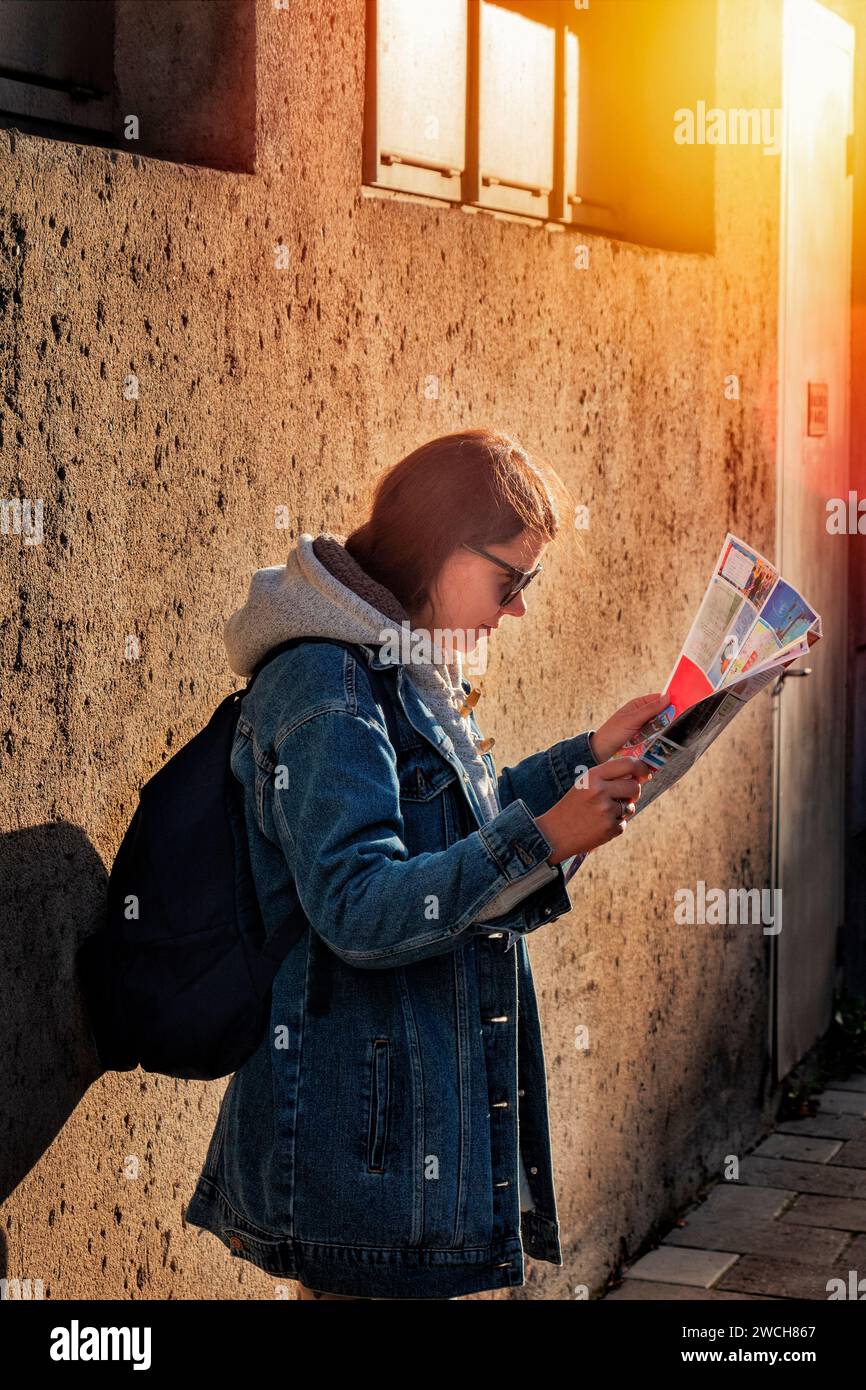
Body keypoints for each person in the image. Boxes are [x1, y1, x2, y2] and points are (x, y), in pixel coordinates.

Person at [184, 427, 664, 1300]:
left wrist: (583, 762)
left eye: (532, 583)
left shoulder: (397, 664)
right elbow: (360, 905)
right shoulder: (327, 686)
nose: (518, 609)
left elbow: (447, 831)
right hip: (362, 1153)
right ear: (440, 546)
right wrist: (548, 836)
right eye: (510, 579)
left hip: (406, 1145)